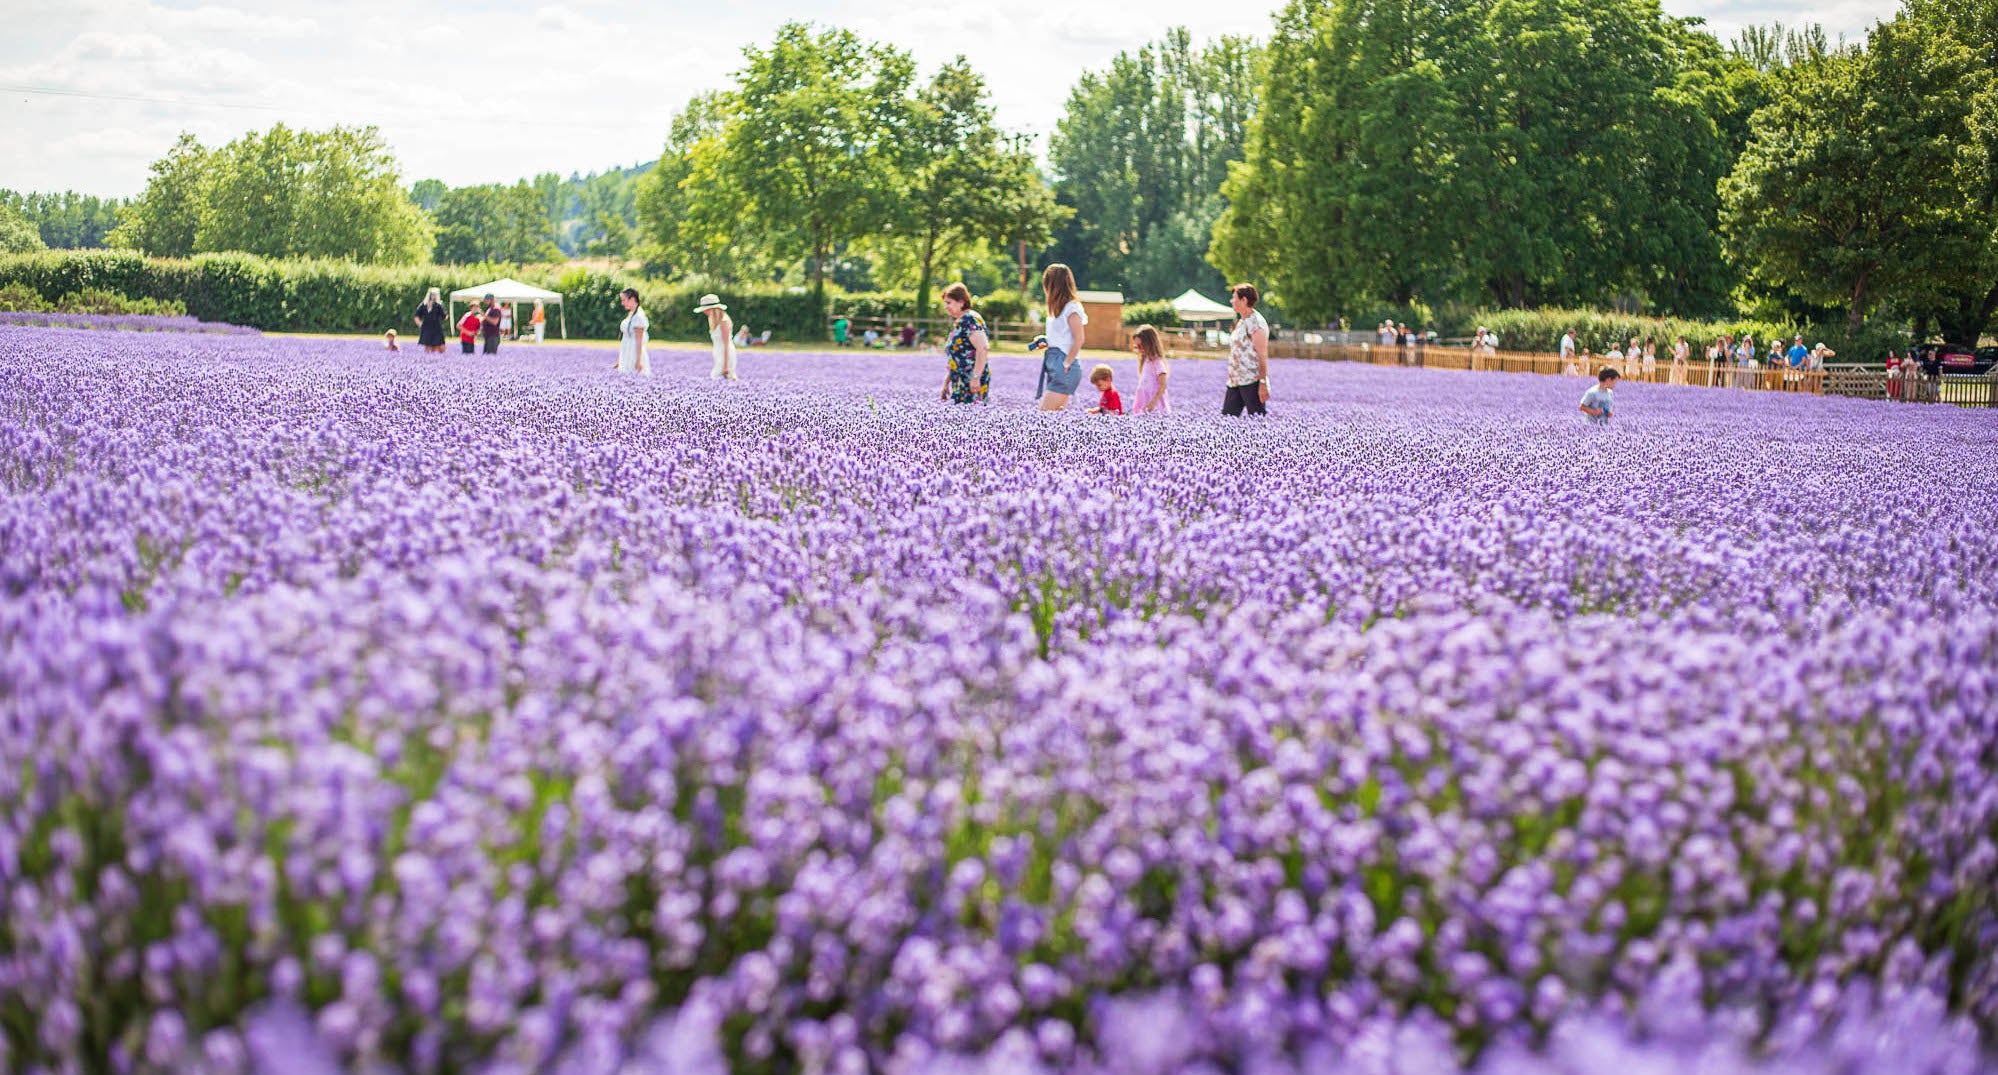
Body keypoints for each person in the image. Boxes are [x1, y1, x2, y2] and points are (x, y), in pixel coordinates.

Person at [1037, 264, 1087, 411]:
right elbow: (1062, 336)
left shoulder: (1072, 308)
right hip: (1055, 364)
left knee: (1043, 415)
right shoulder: (1057, 309)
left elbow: (1079, 338)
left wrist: (1066, 363)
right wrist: (1046, 340)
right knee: (1056, 417)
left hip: (1065, 367)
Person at [938, 282, 990, 404]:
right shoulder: (960, 322)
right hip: (960, 379)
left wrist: (976, 377)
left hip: (971, 380)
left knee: (972, 412)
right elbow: (956, 356)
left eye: (949, 303)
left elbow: (983, 348)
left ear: (961, 302)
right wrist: (947, 382)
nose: (945, 307)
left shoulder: (970, 319)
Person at [1223, 282, 1270, 416]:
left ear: (1244, 300)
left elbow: (1262, 354)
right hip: (1235, 380)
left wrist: (1262, 382)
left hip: (1251, 380)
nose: (1231, 301)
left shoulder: (1256, 323)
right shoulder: (1242, 322)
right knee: (1227, 418)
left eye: (1234, 298)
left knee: (1257, 417)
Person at [1128, 324, 1170, 414]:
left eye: (1141, 346)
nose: (1139, 349)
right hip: (1144, 399)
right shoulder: (1146, 361)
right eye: (1137, 347)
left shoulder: (1157, 362)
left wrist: (1153, 402)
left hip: (1154, 403)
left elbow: (1162, 385)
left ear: (1150, 344)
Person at [696, 293, 738, 380]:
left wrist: (725, 366)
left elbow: (726, 344)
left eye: (706, 310)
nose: (704, 312)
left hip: (726, 355)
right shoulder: (714, 321)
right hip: (718, 353)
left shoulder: (724, 322)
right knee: (719, 378)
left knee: (718, 376)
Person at [614, 287, 650, 376]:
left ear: (632, 299)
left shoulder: (639, 317)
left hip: (633, 354)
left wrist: (638, 361)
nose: (622, 303)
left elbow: (639, 340)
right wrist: (620, 359)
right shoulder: (631, 314)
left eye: (624, 300)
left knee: (634, 376)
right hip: (627, 352)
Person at [412, 287, 449, 353]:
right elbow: (445, 317)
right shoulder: (438, 305)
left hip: (427, 328)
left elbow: (416, 317)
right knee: (440, 347)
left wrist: (421, 325)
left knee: (428, 347)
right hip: (436, 328)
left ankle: (430, 359)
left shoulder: (423, 304)